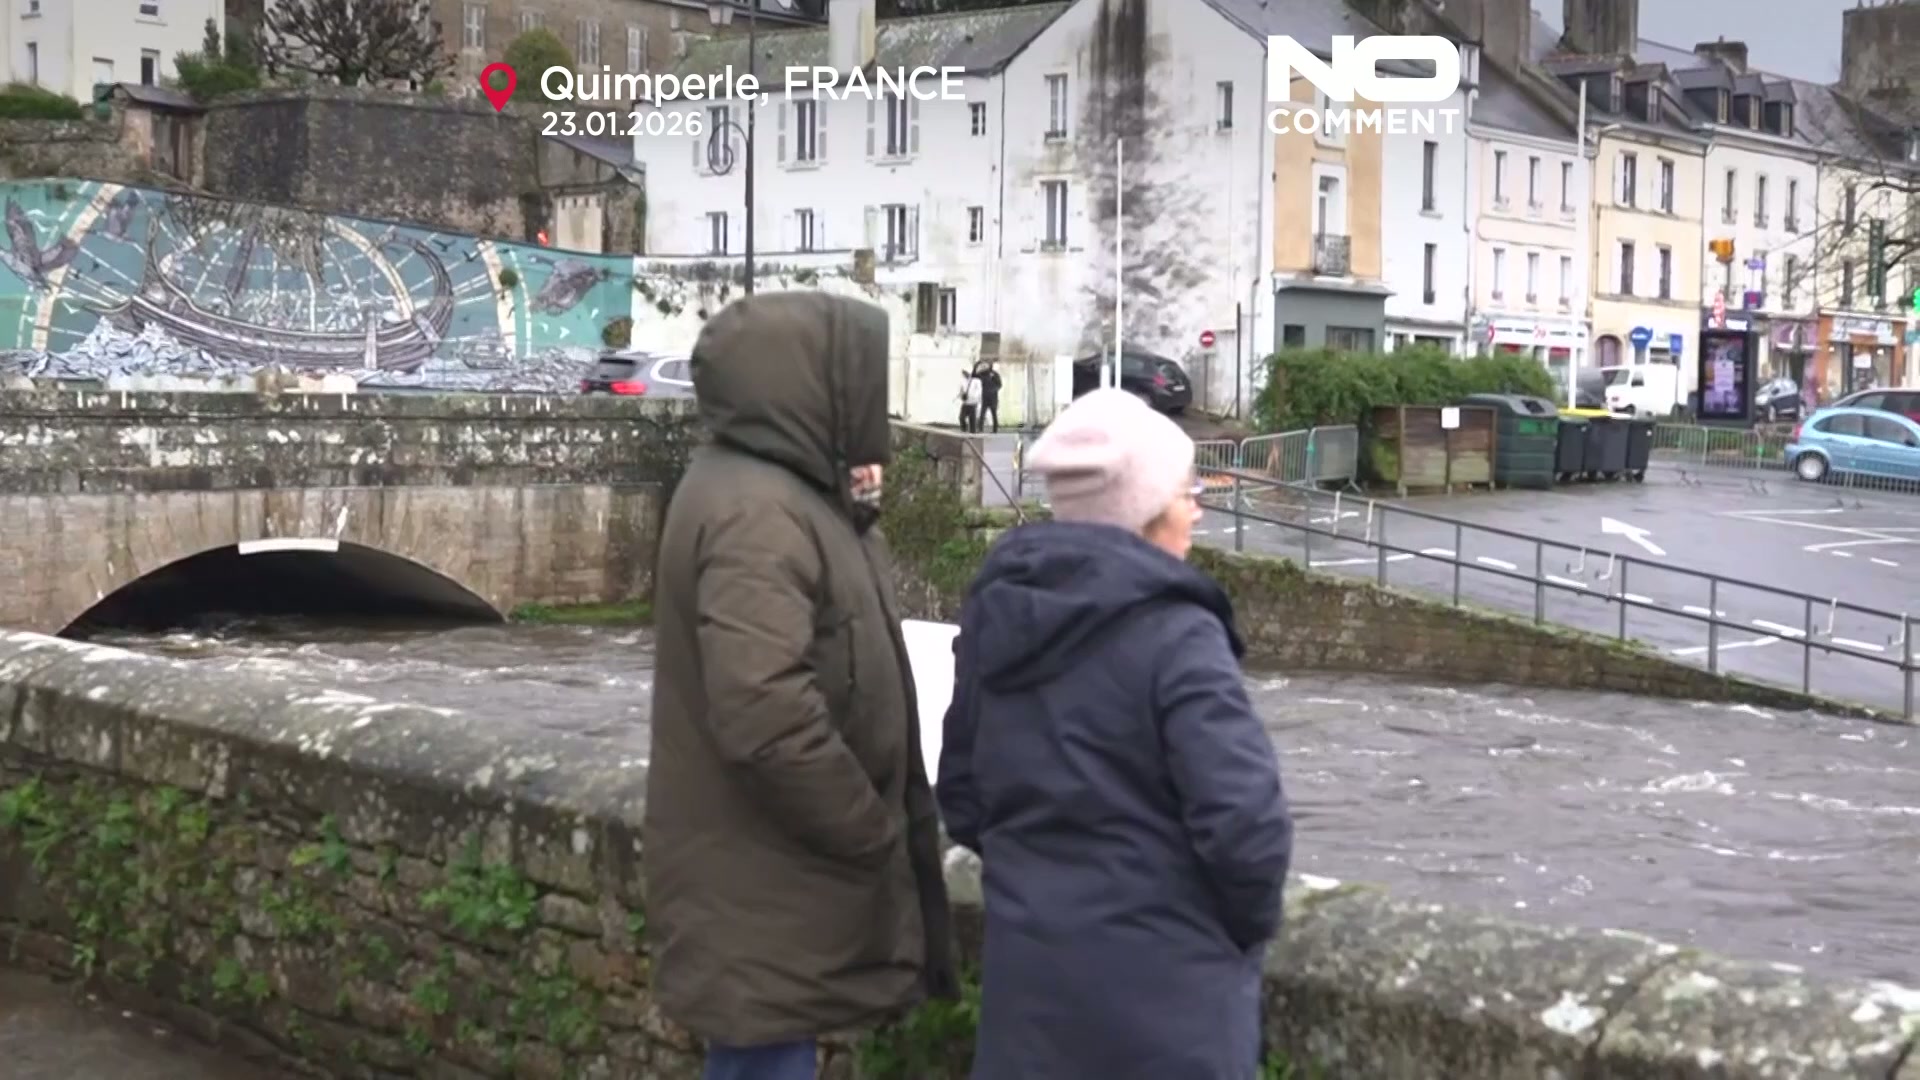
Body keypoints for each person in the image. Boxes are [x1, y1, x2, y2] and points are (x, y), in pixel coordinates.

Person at [937, 388, 1293, 1080]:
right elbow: (1247, 830)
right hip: (1169, 1020)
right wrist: (1225, 942)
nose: (1195, 508)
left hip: (1030, 1012)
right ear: (1146, 509)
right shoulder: (1178, 634)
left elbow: (963, 797)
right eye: (1185, 491)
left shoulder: (999, 614)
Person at [646, 291, 958, 1080]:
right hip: (767, 885)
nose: (873, 403)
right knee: (764, 1061)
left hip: (768, 881)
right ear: (814, 387)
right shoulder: (758, 511)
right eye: (860, 382)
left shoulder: (781, 496)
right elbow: (765, 713)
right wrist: (867, 827)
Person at [976, 361, 1003, 433]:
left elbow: (999, 385)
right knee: (982, 414)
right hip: (985, 397)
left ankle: (995, 430)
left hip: (993, 397)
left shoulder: (994, 374)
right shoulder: (982, 374)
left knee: (994, 414)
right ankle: (980, 429)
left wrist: (992, 389)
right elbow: (977, 378)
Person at [958, 367, 982, 433]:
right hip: (965, 403)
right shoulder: (962, 381)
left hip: (973, 403)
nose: (964, 374)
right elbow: (961, 391)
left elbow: (979, 391)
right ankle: (964, 429)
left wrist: (973, 397)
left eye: (965, 372)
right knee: (961, 417)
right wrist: (961, 396)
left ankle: (972, 435)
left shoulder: (976, 381)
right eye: (963, 373)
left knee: (972, 420)